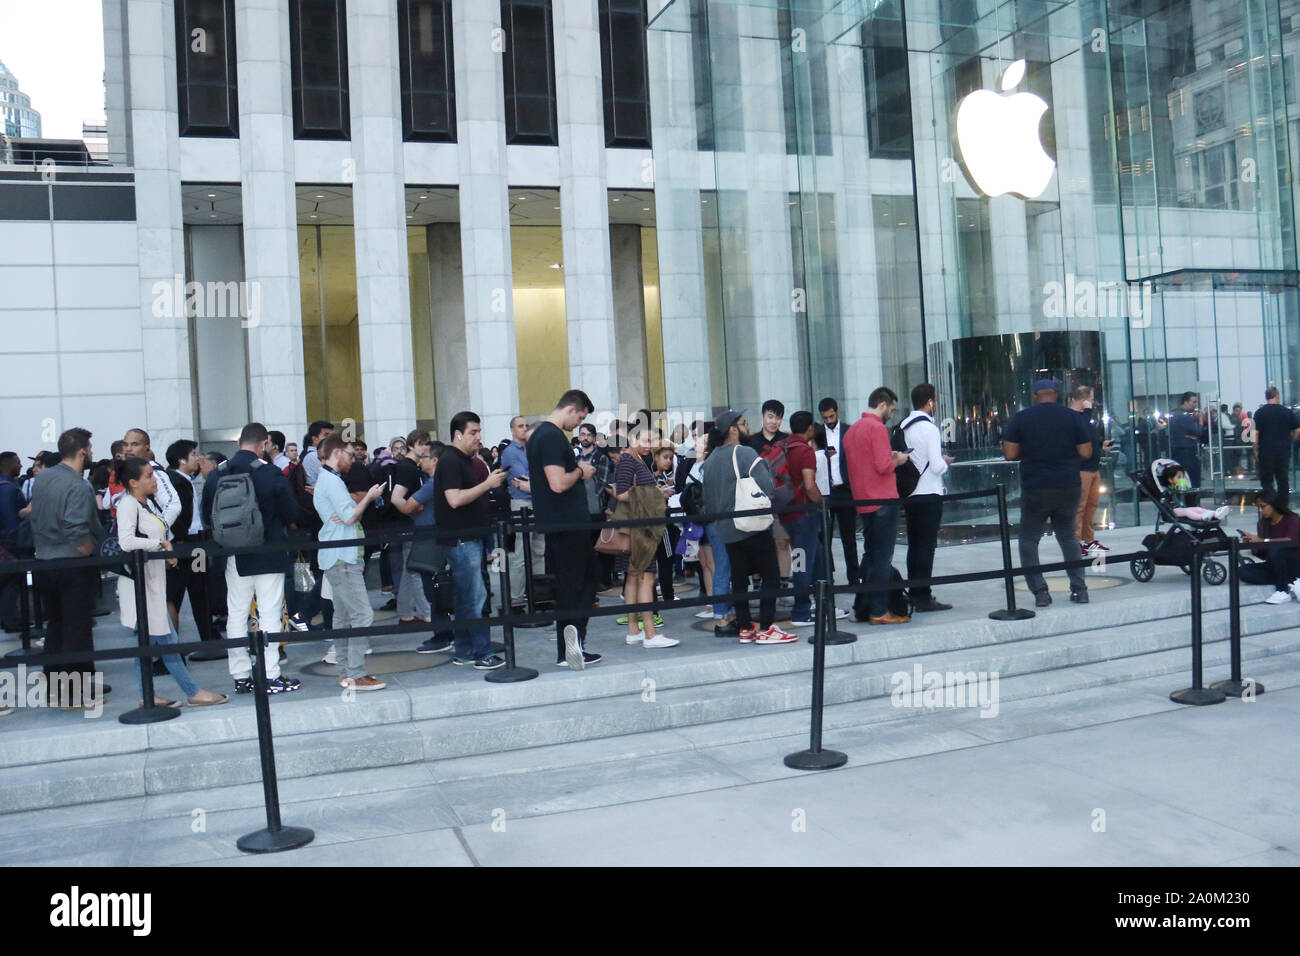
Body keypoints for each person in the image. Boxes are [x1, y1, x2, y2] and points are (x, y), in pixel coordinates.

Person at [114, 458, 228, 708]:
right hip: (142, 584)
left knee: (149, 641)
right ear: (134, 483)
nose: (155, 479)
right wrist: (160, 545)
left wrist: (165, 551)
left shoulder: (145, 504)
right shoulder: (128, 505)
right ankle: (192, 691)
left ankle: (151, 694)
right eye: (148, 476)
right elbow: (126, 542)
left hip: (152, 581)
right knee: (163, 639)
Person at [200, 422, 303, 694]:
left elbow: (206, 516)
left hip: (233, 554)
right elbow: (292, 512)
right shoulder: (270, 473)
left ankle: (241, 676)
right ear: (265, 443)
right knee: (269, 612)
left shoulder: (217, 474)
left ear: (238, 443)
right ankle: (270, 675)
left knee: (236, 614)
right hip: (268, 551)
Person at [701, 410, 797, 644]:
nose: (747, 427)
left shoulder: (710, 459)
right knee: (770, 575)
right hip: (752, 524)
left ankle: (745, 628)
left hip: (726, 528)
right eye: (743, 423)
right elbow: (767, 486)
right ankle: (766, 628)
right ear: (733, 429)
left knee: (740, 579)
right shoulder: (744, 452)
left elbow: (708, 499)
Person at [28, 428, 108, 707]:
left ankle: (55, 688)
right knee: (77, 626)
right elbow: (75, 528)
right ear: (83, 451)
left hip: (43, 560)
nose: (92, 454)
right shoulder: (77, 484)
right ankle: (78, 693)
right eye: (91, 449)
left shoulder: (42, 479)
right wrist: (88, 550)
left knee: (57, 625)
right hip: (72, 562)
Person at [526, 389, 605, 669]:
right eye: (580, 417)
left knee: (578, 584)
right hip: (568, 524)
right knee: (578, 586)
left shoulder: (541, 436)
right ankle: (570, 646)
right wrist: (581, 471)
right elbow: (558, 482)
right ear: (572, 409)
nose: (578, 424)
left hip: (564, 523)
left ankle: (573, 645)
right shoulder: (550, 436)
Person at [1003, 379, 1093, 606]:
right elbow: (1086, 452)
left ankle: (1041, 592)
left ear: (1035, 396)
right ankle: (1079, 589)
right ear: (1056, 394)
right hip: (1068, 484)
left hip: (1036, 486)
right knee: (1068, 538)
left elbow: (1010, 454)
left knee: (1029, 540)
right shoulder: (1073, 417)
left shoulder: (1021, 418)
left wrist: (1033, 451)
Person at [430, 412, 506, 669]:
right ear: (457, 434)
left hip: (466, 536)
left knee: (466, 597)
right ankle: (482, 653)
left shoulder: (459, 459)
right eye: (473, 432)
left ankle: (464, 651)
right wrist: (488, 484)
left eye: (479, 432)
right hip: (461, 538)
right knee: (475, 597)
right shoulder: (451, 460)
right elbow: (455, 499)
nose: (478, 437)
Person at [314, 434, 389, 690]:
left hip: (340, 555)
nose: (353, 460)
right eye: (349, 454)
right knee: (361, 614)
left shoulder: (329, 480)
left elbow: (344, 516)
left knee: (344, 616)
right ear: (336, 453)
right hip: (343, 556)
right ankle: (355, 674)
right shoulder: (332, 482)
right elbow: (348, 518)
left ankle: (348, 672)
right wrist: (369, 497)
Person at [843, 388, 912, 624]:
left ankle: (863, 605)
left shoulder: (851, 431)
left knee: (870, 556)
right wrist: (899, 459)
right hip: (883, 499)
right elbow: (883, 467)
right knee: (883, 558)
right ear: (882, 405)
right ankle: (879, 610)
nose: (892, 414)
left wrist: (887, 457)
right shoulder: (877, 428)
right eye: (892, 409)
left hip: (863, 500)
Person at [611, 431, 678, 648]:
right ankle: (650, 633)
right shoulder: (628, 460)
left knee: (633, 578)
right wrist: (656, 494)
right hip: (639, 527)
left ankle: (634, 630)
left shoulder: (634, 459)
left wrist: (654, 491)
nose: (650, 445)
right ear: (633, 440)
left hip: (637, 526)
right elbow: (621, 493)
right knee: (645, 578)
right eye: (646, 441)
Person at [897, 384, 955, 612]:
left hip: (910, 492)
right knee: (926, 547)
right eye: (935, 401)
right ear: (930, 401)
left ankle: (915, 591)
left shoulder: (904, 425)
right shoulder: (929, 429)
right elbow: (937, 465)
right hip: (929, 492)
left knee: (914, 545)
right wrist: (945, 462)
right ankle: (923, 596)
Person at [163, 439, 215, 651]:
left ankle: (208, 635)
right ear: (181, 460)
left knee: (200, 590)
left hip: (194, 545)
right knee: (184, 592)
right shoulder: (177, 481)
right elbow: (181, 517)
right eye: (193, 454)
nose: (197, 458)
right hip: (187, 546)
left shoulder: (181, 479)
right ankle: (204, 637)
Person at [782, 411, 826, 628]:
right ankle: (800, 610)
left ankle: (822, 601)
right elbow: (809, 485)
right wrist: (821, 503)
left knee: (815, 556)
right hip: (804, 514)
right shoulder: (805, 451)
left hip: (786, 513)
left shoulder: (784, 447)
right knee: (802, 563)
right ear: (809, 428)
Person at [386, 429, 435, 625]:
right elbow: (396, 498)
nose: (425, 447)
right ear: (411, 445)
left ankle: (405, 612)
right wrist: (412, 511)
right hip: (408, 524)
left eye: (426, 443)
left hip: (405, 524)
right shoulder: (408, 468)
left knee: (409, 569)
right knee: (415, 569)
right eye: (421, 443)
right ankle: (426, 612)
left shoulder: (409, 466)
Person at [747, 399, 793, 594]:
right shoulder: (751, 442)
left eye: (778, 418)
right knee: (757, 544)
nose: (774, 422)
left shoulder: (787, 441)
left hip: (783, 500)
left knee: (782, 542)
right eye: (770, 417)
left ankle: (784, 585)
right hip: (756, 500)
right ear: (762, 416)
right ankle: (757, 585)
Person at [501, 415, 546, 604]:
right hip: (521, 503)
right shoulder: (511, 452)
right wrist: (541, 480)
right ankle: (516, 596)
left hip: (538, 501)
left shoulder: (533, 448)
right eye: (520, 426)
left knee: (539, 550)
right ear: (512, 430)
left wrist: (538, 480)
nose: (524, 429)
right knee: (520, 552)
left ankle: (539, 592)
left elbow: (536, 478)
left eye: (526, 426)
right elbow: (523, 479)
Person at [1067, 386, 1114, 555]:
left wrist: (1100, 445)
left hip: (1093, 467)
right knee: (1080, 506)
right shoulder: (1073, 416)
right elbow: (1078, 432)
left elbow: (1087, 437)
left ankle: (1088, 540)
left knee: (1092, 505)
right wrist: (1087, 411)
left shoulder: (1085, 417)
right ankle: (1076, 541)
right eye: (1092, 400)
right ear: (1084, 399)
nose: (1093, 403)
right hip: (1081, 469)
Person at [818, 397, 859, 584]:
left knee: (849, 537)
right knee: (824, 539)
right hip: (825, 492)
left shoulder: (849, 431)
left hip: (845, 490)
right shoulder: (818, 434)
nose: (829, 420)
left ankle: (854, 578)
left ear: (838, 412)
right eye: (825, 418)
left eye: (831, 416)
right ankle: (828, 578)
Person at [1240, 491, 1300, 603]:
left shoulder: (1292, 519)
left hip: (1295, 562)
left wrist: (1263, 541)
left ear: (1274, 504)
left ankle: (1282, 591)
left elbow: (1291, 540)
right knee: (1244, 571)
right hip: (1276, 565)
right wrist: (1255, 545)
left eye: (1263, 506)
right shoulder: (1263, 523)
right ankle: (1292, 581)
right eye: (1258, 507)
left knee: (1276, 548)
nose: (1260, 510)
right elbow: (1264, 555)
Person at [575, 422, 614, 590]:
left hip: (597, 509)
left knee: (601, 547)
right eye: (582, 434)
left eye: (588, 435)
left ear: (594, 437)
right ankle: (588, 580)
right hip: (579, 509)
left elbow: (603, 484)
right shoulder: (574, 459)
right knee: (584, 548)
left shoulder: (601, 457)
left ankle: (603, 580)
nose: (585, 437)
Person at [122, 428, 182, 527]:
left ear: (147, 447)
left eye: (135, 444)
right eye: (125, 444)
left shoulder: (154, 472)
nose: (128, 449)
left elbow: (173, 504)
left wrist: (160, 529)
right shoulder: (128, 472)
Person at [1252, 386, 1299, 506]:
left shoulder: (1259, 413)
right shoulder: (1287, 412)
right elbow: (1298, 430)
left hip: (1266, 452)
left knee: (1267, 481)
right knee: (1283, 480)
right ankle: (1283, 506)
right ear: (1277, 396)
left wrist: (1255, 450)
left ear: (1266, 397)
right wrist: (1291, 440)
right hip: (1283, 452)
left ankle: (1271, 505)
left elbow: (1254, 434)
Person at [1168, 392, 1207, 490]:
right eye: (1193, 402)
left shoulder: (1175, 413)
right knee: (1192, 481)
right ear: (1185, 402)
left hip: (1179, 450)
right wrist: (1200, 420)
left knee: (1182, 480)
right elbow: (1198, 432)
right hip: (1187, 453)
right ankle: (1191, 501)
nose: (1196, 405)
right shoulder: (1183, 416)